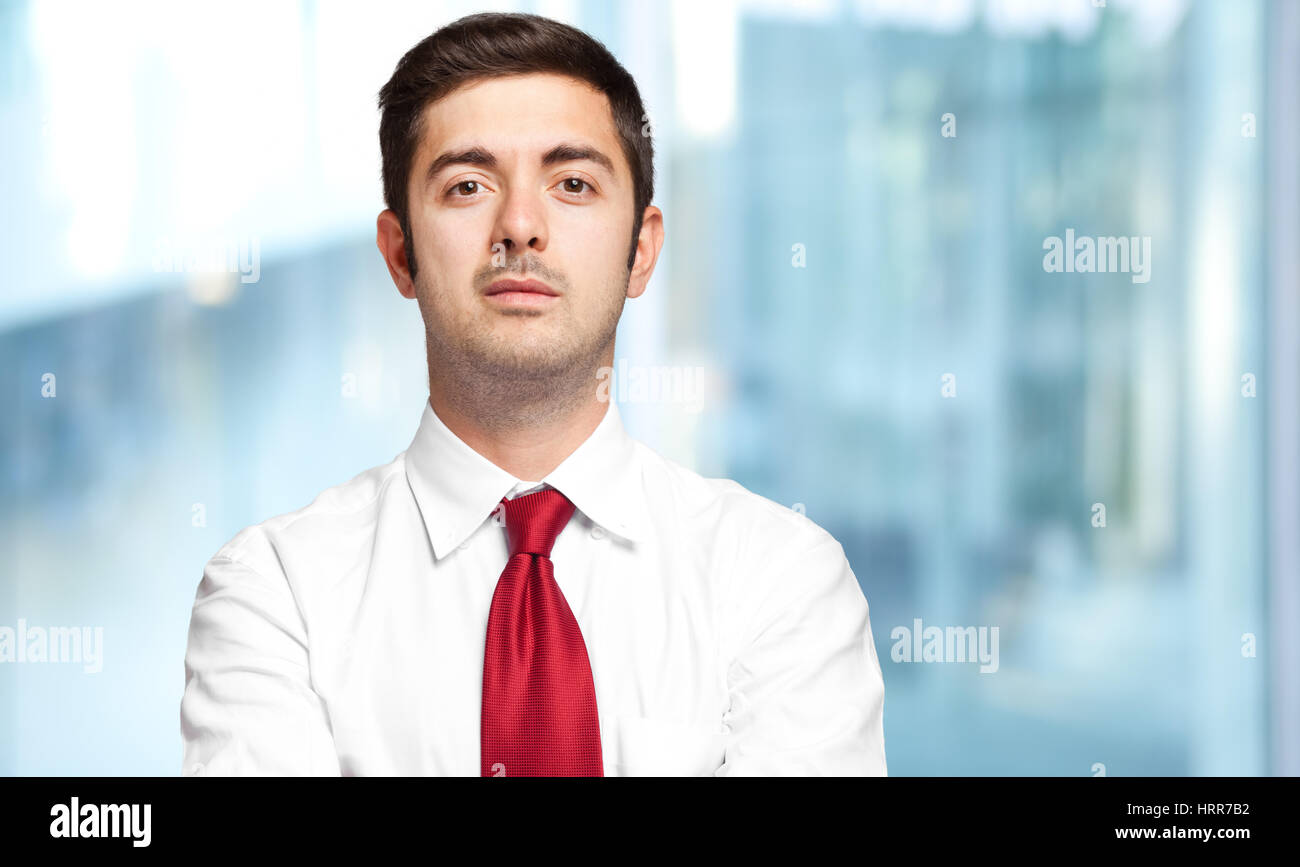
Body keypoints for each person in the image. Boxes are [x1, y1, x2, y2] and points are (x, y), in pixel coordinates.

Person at [180, 11, 886, 776]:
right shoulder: (275, 593)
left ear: (640, 251)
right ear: (400, 254)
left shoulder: (780, 581)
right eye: (468, 185)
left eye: (573, 183)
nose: (519, 225)